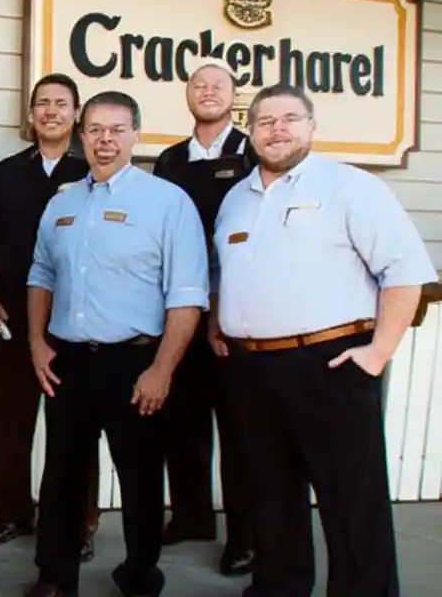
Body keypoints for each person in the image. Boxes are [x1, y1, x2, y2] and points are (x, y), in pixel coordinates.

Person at [210, 83, 435, 597]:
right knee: (271, 494)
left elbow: (405, 273)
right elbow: (225, 271)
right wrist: (218, 322)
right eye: (265, 121)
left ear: (312, 126)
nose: (277, 130)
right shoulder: (235, 199)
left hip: (330, 363)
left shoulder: (350, 186)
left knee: (351, 501)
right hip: (253, 369)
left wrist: (378, 353)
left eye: (290, 118)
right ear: (250, 132)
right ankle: (279, 588)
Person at [24, 91, 207, 597]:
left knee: (140, 476)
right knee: (62, 474)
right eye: (96, 130)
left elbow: (187, 295)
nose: (105, 140)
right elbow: (41, 274)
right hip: (68, 360)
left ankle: (140, 573)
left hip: (135, 361)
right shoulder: (62, 201)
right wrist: (37, 342)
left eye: (117, 130)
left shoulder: (167, 202)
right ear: (82, 135)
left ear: (136, 135)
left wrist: (162, 370)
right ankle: (55, 575)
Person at [0, 74, 100, 559]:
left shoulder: (92, 169)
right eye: (42, 103)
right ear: (30, 114)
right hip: (9, 315)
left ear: (76, 113)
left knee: (76, 428)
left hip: (74, 321)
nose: (51, 111)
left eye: (61, 104)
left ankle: (78, 523)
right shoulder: (6, 173)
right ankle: (12, 511)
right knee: (11, 422)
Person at [151, 59, 256, 575]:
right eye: (199, 84)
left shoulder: (252, 153)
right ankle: (192, 516)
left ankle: (245, 535)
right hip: (180, 310)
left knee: (238, 430)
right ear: (187, 95)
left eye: (218, 85)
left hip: (233, 313)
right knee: (182, 421)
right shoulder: (171, 159)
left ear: (234, 96)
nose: (208, 91)